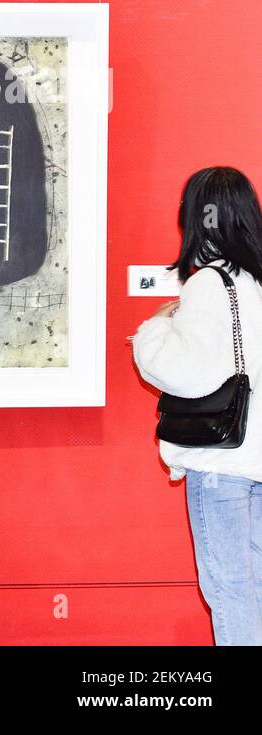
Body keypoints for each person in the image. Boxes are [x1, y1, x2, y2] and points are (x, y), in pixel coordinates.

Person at [133, 166, 262, 645]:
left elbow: (184, 373)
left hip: (222, 461)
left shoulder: (210, 284)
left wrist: (153, 328)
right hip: (258, 462)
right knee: (254, 588)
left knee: (229, 589)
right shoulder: (257, 283)